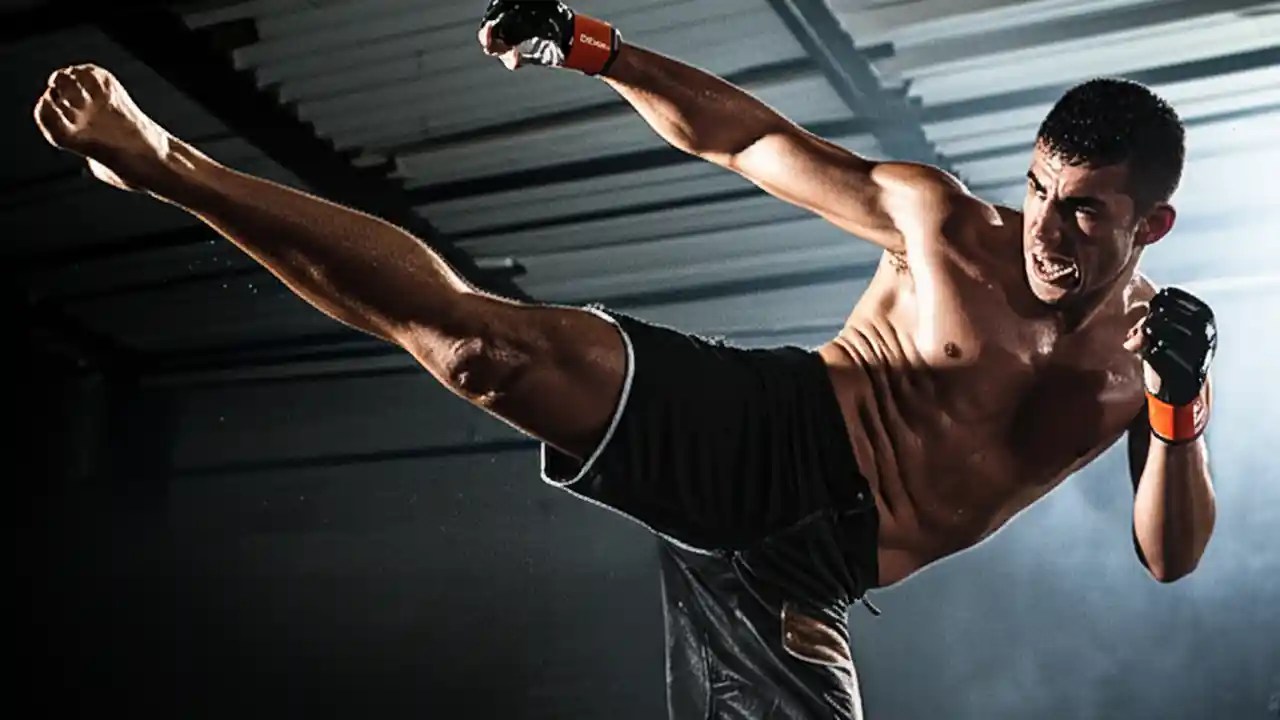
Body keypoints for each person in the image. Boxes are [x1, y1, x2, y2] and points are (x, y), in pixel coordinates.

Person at [34, 2, 1218, 716]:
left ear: (1147, 226)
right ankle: (167, 164)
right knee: (479, 347)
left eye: (1081, 215)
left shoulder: (1147, 365)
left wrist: (1173, 413)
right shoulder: (943, 224)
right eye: (1036, 191)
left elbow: (1165, 557)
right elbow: (751, 138)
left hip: (803, 588)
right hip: (764, 427)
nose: (1044, 231)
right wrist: (594, 46)